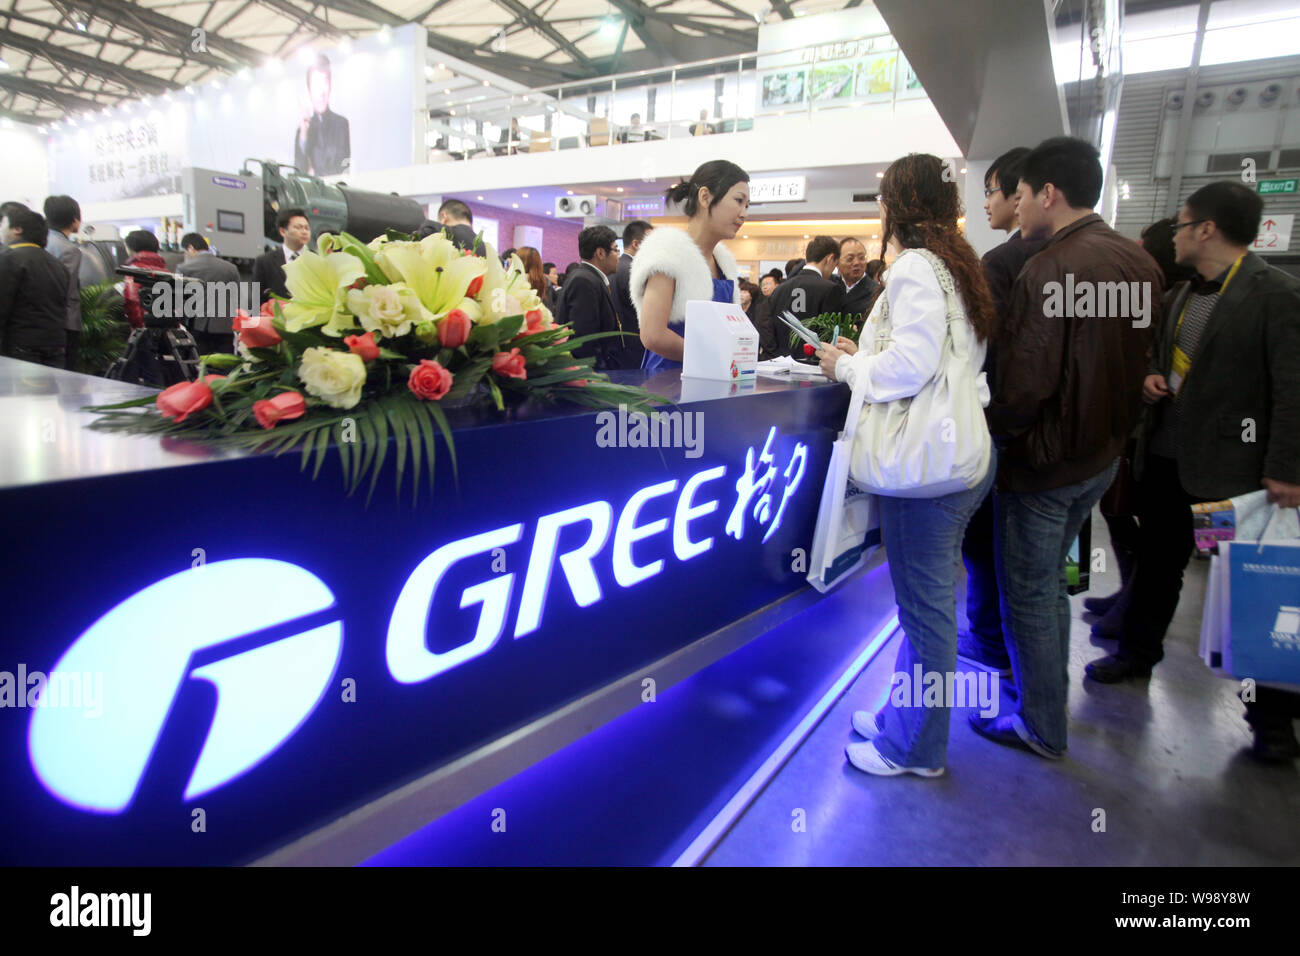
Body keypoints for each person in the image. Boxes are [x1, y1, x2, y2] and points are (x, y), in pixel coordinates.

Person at [1090, 182, 1300, 759]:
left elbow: (1292, 390)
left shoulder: (1275, 295)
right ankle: (1136, 656)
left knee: (1248, 586)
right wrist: (1151, 377)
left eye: (1182, 225)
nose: (1176, 234)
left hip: (1233, 481)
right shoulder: (1183, 295)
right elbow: (1162, 357)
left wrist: (1286, 469)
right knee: (1160, 566)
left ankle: (1273, 716)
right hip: (1167, 462)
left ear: (1207, 228)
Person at [978, 136, 1162, 760]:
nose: (1019, 208)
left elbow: (1027, 382)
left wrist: (993, 429)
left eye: (1022, 194)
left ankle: (1040, 724)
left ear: (1048, 194)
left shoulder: (1050, 268)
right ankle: (1045, 707)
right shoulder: (1139, 263)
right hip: (1101, 457)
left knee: (1028, 592)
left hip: (1046, 462)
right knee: (1051, 587)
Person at [814, 153, 997, 777]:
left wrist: (846, 367)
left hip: (930, 466)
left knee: (924, 612)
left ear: (900, 204)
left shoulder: (917, 266)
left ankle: (915, 746)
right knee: (927, 605)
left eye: (885, 198)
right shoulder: (954, 262)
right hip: (959, 452)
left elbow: (909, 368)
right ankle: (904, 716)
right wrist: (862, 351)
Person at [957, 146, 1046, 676]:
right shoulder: (1075, 259)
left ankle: (991, 642)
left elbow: (979, 350)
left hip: (1005, 428)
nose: (986, 201)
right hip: (1056, 440)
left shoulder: (1005, 263)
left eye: (991, 190)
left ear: (1021, 195)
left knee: (989, 543)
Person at [1084, 216, 1195, 638]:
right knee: (1119, 515)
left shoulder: (1172, 298)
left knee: (1159, 542)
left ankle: (1134, 619)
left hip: (1168, 441)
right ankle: (1126, 595)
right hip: (1135, 432)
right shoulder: (1171, 297)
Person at [630, 160, 747, 372]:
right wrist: (713, 357)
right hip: (669, 385)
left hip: (714, 379)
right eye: (738, 201)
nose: (744, 213)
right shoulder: (667, 253)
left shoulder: (724, 264)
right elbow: (653, 335)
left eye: (747, 205)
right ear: (705, 197)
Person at [0, 208, 71, 368]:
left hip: (21, 347)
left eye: (3, 224)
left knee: (24, 393)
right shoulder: (57, 264)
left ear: (18, 229)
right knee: (50, 393)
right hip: (56, 346)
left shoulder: (9, 259)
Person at [554, 226, 624, 371]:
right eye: (616, 250)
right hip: (590, 376)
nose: (619, 256)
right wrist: (598, 376)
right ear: (600, 253)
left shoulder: (590, 278)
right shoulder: (584, 281)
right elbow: (585, 341)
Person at [769, 236, 844, 357]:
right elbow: (829, 335)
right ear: (830, 259)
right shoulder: (830, 289)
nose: (832, 271)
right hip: (813, 365)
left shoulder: (779, 289)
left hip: (781, 364)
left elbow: (770, 329)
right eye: (835, 266)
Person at [176, 232, 242, 355]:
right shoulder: (231, 268)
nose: (186, 256)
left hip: (198, 326)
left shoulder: (185, 268)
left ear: (190, 247)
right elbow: (236, 298)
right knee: (225, 366)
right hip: (226, 325)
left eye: (185, 252)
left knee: (200, 366)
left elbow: (180, 299)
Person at [43, 195, 83, 371]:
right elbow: (65, 288)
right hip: (65, 321)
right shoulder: (69, 250)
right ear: (75, 220)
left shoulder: (41, 241)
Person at [294, 54, 350, 176]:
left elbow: (345, 165)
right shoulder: (302, 132)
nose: (321, 92)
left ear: (330, 86)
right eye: (315, 84)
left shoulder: (341, 124)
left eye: (324, 82)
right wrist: (304, 132)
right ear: (309, 90)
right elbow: (299, 171)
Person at [609, 220, 652, 369]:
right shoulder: (634, 270)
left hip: (620, 343)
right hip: (635, 343)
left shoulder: (617, 266)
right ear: (636, 244)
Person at [253, 208, 310, 304]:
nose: (304, 232)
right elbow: (256, 298)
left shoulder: (316, 259)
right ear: (283, 231)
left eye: (307, 228)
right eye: (298, 227)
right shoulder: (265, 261)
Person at [122, 229, 170, 329]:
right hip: (167, 328)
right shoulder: (166, 271)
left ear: (131, 248)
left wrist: (139, 329)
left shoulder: (134, 271)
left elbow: (132, 302)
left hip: (146, 329)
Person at [837, 237, 876, 323]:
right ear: (837, 262)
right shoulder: (831, 285)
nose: (856, 263)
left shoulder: (876, 291)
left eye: (861, 258)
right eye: (850, 259)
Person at [741, 278, 779, 360]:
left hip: (758, 349)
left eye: (744, 292)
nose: (741, 295)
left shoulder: (759, 310)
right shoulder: (737, 310)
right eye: (763, 285)